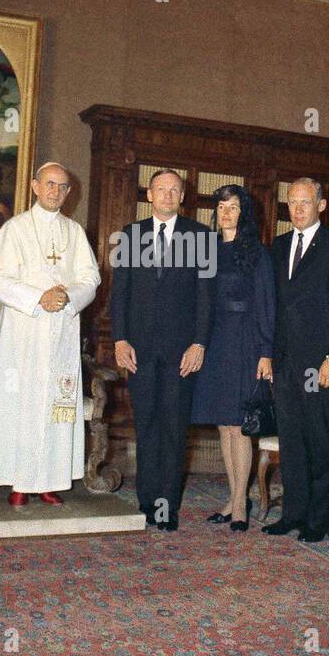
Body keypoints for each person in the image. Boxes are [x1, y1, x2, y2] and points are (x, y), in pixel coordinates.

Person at [0, 163, 101, 505]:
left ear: (68, 192)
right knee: (23, 404)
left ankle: (50, 480)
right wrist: (37, 298)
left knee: (55, 406)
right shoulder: (15, 229)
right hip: (23, 331)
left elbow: (90, 280)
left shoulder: (74, 232)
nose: (55, 192)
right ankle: (19, 481)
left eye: (62, 186)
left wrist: (68, 296)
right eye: (49, 184)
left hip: (61, 331)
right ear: (34, 186)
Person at [110, 168, 212, 530]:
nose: (167, 195)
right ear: (149, 195)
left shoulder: (202, 237)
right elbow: (118, 294)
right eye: (160, 189)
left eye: (174, 190)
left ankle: (167, 508)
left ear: (183, 196)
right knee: (147, 423)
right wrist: (119, 339)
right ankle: (146, 501)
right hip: (138, 350)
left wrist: (199, 343)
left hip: (181, 352)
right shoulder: (129, 236)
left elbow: (205, 298)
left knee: (173, 426)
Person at [264, 178, 329, 543]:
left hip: (321, 364)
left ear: (321, 204)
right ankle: (292, 514)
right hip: (285, 362)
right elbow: (273, 307)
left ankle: (318, 520)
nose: (298, 209)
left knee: (320, 439)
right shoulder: (279, 246)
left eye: (305, 202)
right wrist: (268, 355)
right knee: (291, 441)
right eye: (292, 203)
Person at [191, 184, 274, 532]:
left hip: (245, 342)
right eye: (221, 206)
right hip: (216, 342)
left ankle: (241, 502)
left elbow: (267, 304)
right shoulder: (207, 249)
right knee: (225, 425)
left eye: (234, 207)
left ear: (244, 212)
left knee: (241, 427)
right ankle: (232, 496)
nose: (226, 213)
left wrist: (266, 352)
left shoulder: (257, 252)